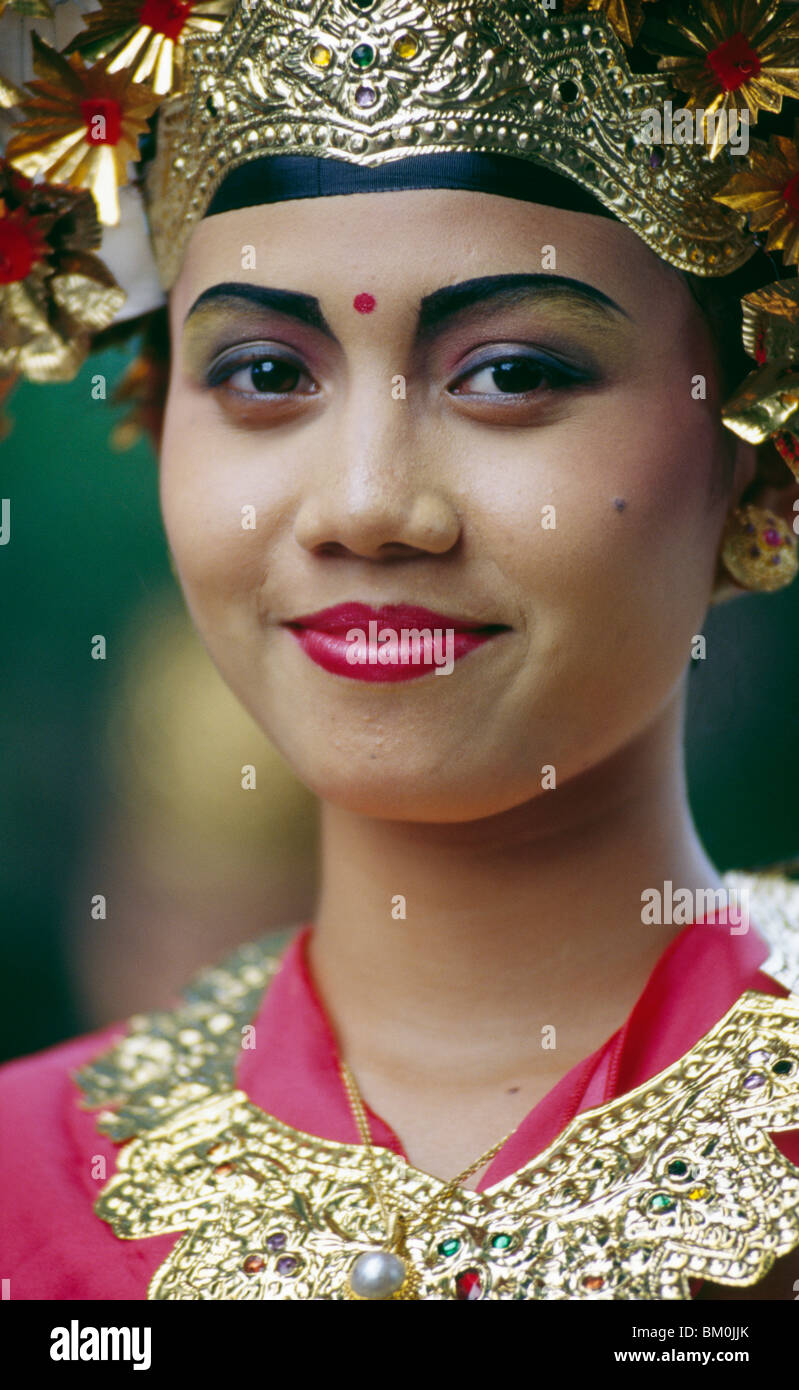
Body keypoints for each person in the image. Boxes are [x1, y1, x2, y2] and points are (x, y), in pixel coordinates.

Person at [2, 0, 799, 1302]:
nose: (368, 503)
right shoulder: (23, 1183)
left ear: (757, 454)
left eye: (509, 373)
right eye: (265, 374)